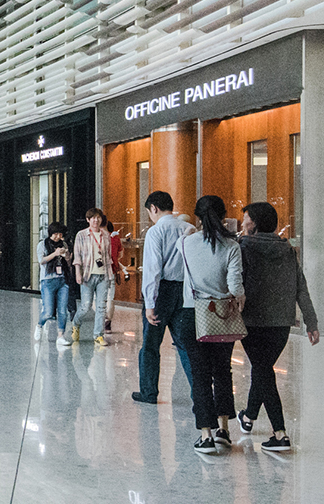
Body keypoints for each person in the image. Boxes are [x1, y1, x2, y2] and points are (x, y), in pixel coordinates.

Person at [237, 201, 319, 453]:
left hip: (251, 320)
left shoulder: (243, 247)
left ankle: (280, 433)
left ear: (255, 223)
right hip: (281, 322)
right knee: (262, 368)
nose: (242, 224)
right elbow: (300, 286)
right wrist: (311, 321)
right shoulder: (287, 249)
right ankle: (249, 417)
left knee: (262, 370)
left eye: (246, 219)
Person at [179, 194, 245, 454]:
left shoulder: (185, 243)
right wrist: (239, 298)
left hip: (192, 314)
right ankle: (224, 430)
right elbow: (235, 286)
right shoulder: (232, 246)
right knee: (223, 372)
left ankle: (205, 435)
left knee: (200, 375)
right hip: (222, 315)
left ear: (197, 216)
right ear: (224, 215)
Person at [133, 191, 195, 406]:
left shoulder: (156, 231)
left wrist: (149, 304)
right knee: (185, 345)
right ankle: (199, 392)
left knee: (151, 344)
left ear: (153, 209)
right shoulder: (188, 229)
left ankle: (149, 393)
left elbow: (152, 270)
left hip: (161, 293)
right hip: (184, 292)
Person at [69, 206, 123, 348]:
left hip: (103, 275)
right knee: (86, 306)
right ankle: (75, 323)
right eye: (93, 218)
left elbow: (108, 257)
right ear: (88, 220)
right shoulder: (81, 235)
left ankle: (98, 335)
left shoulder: (106, 235)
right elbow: (77, 256)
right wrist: (77, 273)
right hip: (87, 275)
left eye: (98, 218)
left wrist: (111, 274)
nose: (95, 220)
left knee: (101, 307)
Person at [36, 223, 72, 343]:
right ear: (51, 233)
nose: (58, 236)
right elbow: (41, 260)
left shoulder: (64, 244)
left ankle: (60, 336)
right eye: (56, 234)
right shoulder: (42, 244)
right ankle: (39, 325)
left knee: (62, 310)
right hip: (48, 280)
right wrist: (55, 254)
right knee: (48, 312)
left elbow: (67, 262)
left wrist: (66, 255)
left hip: (62, 279)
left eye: (60, 234)